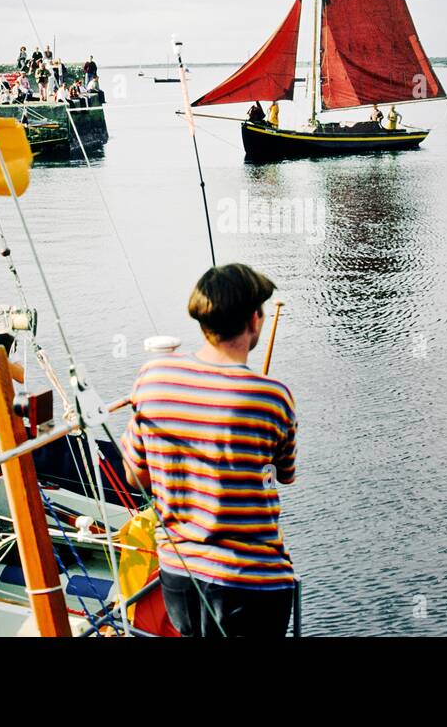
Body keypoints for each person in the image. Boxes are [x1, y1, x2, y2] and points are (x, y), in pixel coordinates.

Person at [120, 263, 297, 637]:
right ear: (255, 319)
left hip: (180, 575)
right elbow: (286, 474)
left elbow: (134, 476)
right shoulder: (273, 397)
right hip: (253, 582)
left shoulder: (152, 379)